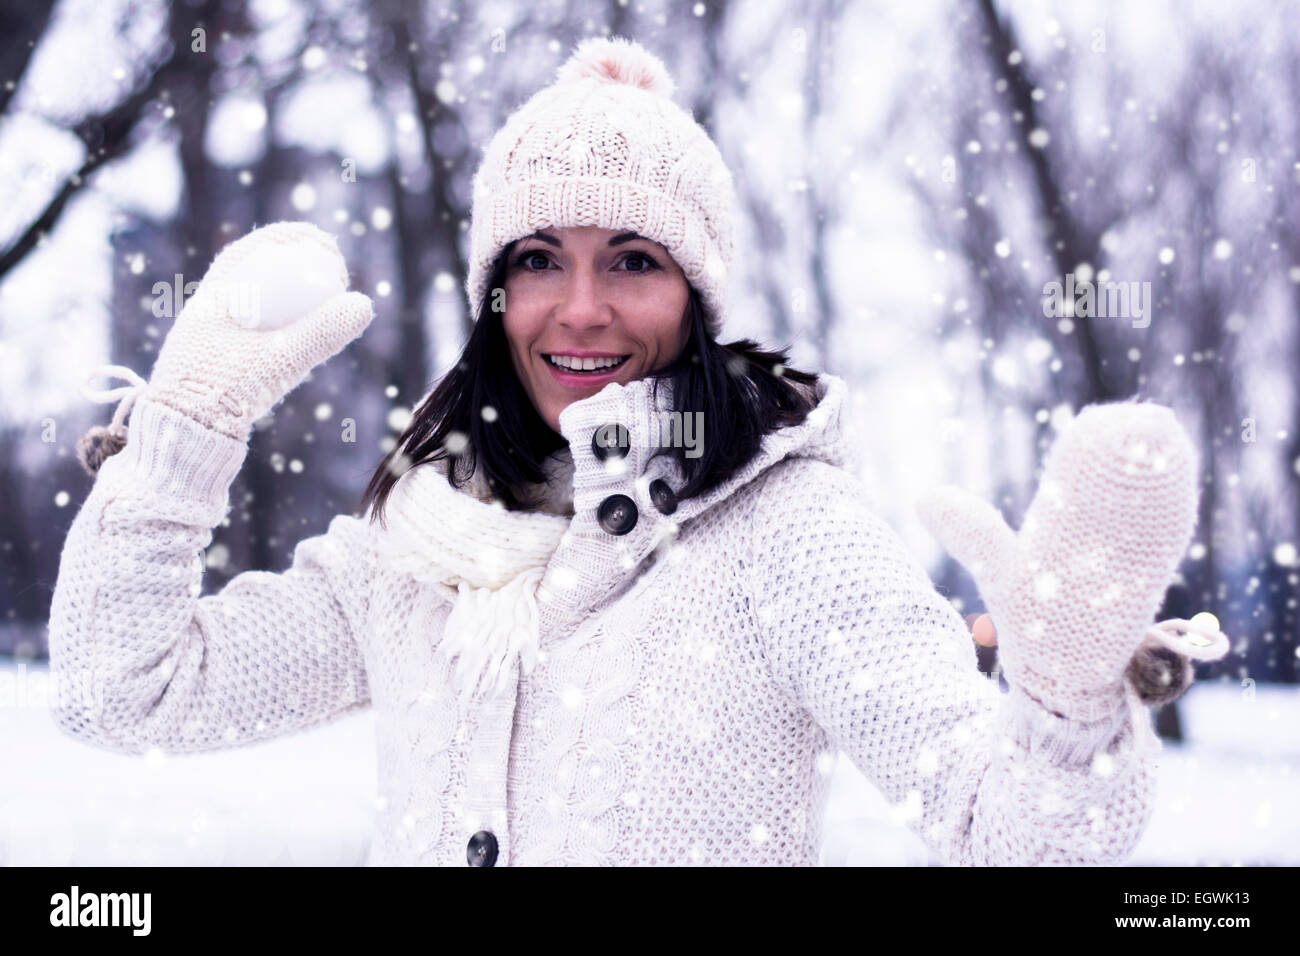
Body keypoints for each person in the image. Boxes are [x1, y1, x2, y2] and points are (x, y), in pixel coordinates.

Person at [50, 36, 1220, 867]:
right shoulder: (418, 546)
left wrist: (1064, 710)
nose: (580, 308)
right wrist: (181, 439)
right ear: (493, 292)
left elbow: (1004, 831)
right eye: (539, 259)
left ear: (696, 295)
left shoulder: (788, 534)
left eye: (632, 260)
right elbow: (125, 691)